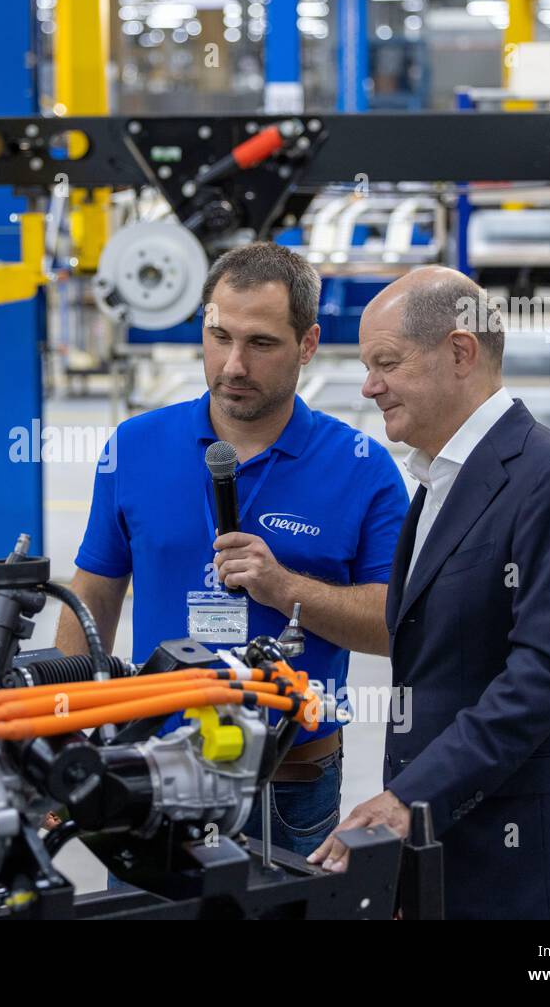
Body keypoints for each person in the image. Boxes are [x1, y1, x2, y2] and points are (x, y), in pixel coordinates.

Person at [56, 241, 407, 856]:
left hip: (290, 785)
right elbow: (94, 593)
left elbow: (392, 625)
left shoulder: (362, 467)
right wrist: (63, 733)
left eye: (262, 344)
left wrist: (286, 588)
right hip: (153, 772)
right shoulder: (134, 447)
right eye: (219, 337)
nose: (234, 365)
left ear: (308, 344)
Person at [310, 266, 550, 919]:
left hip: (528, 863)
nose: (369, 385)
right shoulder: (437, 483)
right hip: (451, 845)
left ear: (460, 352)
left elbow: (543, 677)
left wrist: (410, 799)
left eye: (387, 363)